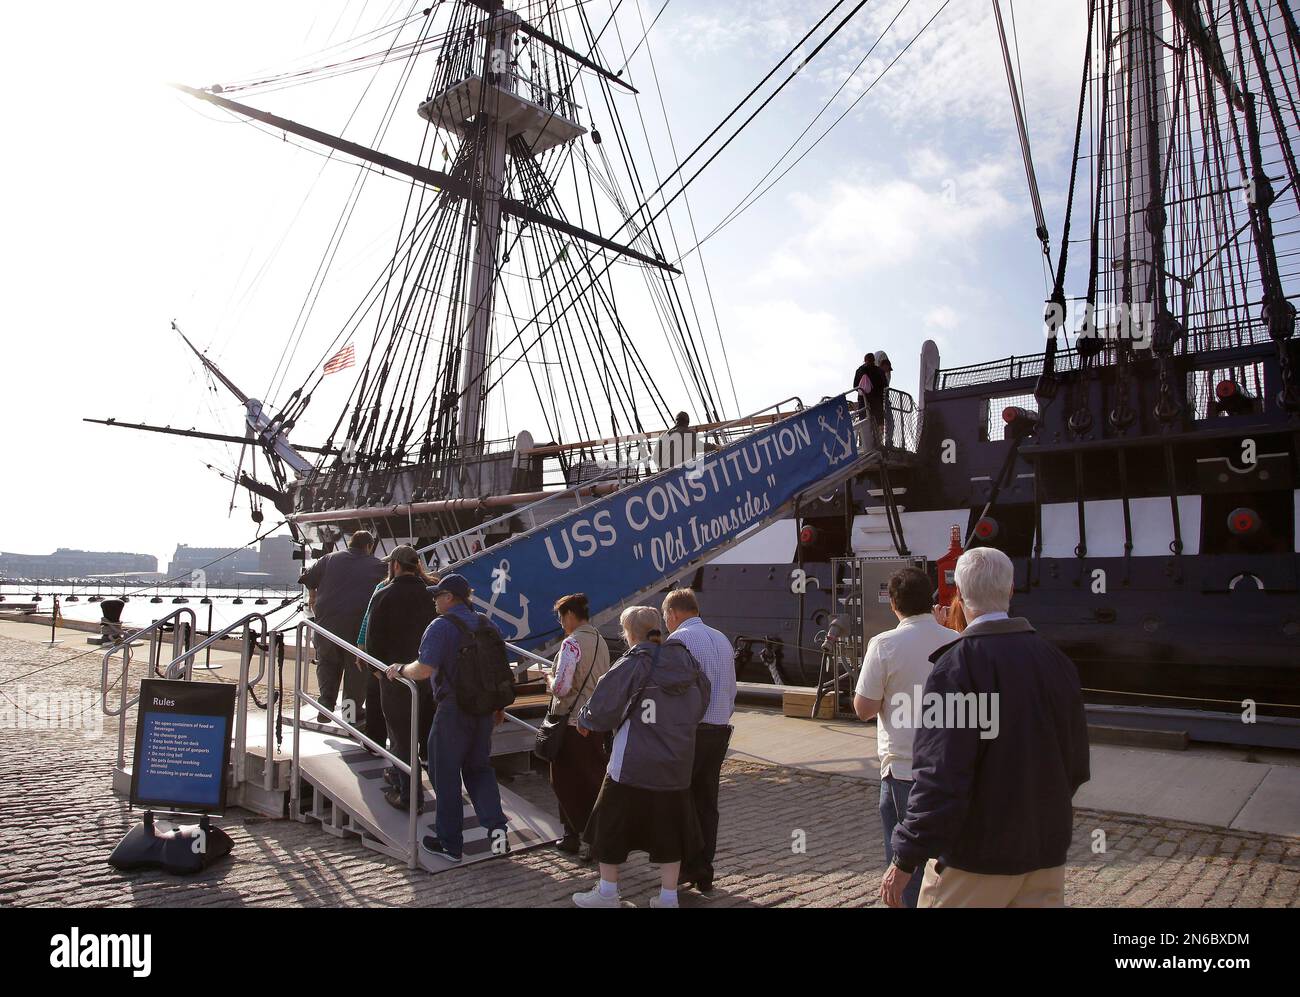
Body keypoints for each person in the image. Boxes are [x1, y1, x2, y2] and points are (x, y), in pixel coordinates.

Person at [880, 547, 1091, 908]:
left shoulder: (956, 668)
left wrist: (904, 857)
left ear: (958, 594)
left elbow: (941, 777)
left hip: (972, 862)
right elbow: (1074, 764)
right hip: (1043, 856)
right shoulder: (1057, 662)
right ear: (1010, 591)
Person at [572, 606, 711, 908]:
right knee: (669, 830)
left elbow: (604, 705)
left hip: (633, 763)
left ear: (629, 633)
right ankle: (668, 896)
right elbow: (703, 701)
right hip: (676, 764)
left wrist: (585, 721)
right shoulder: (687, 662)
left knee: (608, 826)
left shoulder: (634, 663)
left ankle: (608, 892)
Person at [384, 573, 510, 863]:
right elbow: (499, 669)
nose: (434, 600)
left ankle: (449, 843)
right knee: (480, 770)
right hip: (484, 711)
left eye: (437, 595)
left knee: (445, 774)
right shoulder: (486, 624)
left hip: (453, 711)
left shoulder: (441, 626)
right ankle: (498, 833)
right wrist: (497, 707)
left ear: (450, 597)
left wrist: (400, 669)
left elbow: (424, 669)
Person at [852, 567, 959, 908]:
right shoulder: (956, 640)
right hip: (952, 768)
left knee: (903, 861)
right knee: (949, 862)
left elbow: (864, 709)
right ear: (930, 599)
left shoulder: (884, 644)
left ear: (893, 603)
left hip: (902, 770)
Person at [662, 588, 736, 895]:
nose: (665, 622)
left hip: (691, 732)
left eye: (665, 616)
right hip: (719, 730)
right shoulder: (721, 637)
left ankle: (684, 866)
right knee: (707, 803)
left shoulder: (678, 641)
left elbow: (671, 690)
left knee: (679, 800)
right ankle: (705, 868)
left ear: (675, 614)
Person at [367, 545, 438, 811]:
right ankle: (438, 793)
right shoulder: (431, 594)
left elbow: (373, 641)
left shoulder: (384, 594)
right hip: (429, 676)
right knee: (426, 738)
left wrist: (380, 673)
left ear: (395, 565)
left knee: (400, 738)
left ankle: (410, 797)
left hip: (396, 675)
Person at [547, 592, 612, 857]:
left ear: (571, 615)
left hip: (571, 725)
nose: (561, 623)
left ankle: (583, 837)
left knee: (563, 781)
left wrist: (549, 680)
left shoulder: (571, 644)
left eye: (561, 618)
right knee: (591, 779)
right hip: (594, 721)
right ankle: (575, 835)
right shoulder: (601, 641)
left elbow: (562, 688)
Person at [299, 531, 386, 726]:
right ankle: (350, 714)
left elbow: (307, 578)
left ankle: (325, 706)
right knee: (356, 671)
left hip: (326, 624)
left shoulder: (328, 559)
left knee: (327, 664)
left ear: (350, 543)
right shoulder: (378, 565)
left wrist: (313, 595)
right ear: (369, 546)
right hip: (357, 626)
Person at [874, 350, 894, 448]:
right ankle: (878, 443)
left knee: (888, 422)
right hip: (877, 401)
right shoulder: (872, 373)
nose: (887, 371)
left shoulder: (883, 374)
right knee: (878, 423)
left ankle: (887, 442)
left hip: (883, 400)